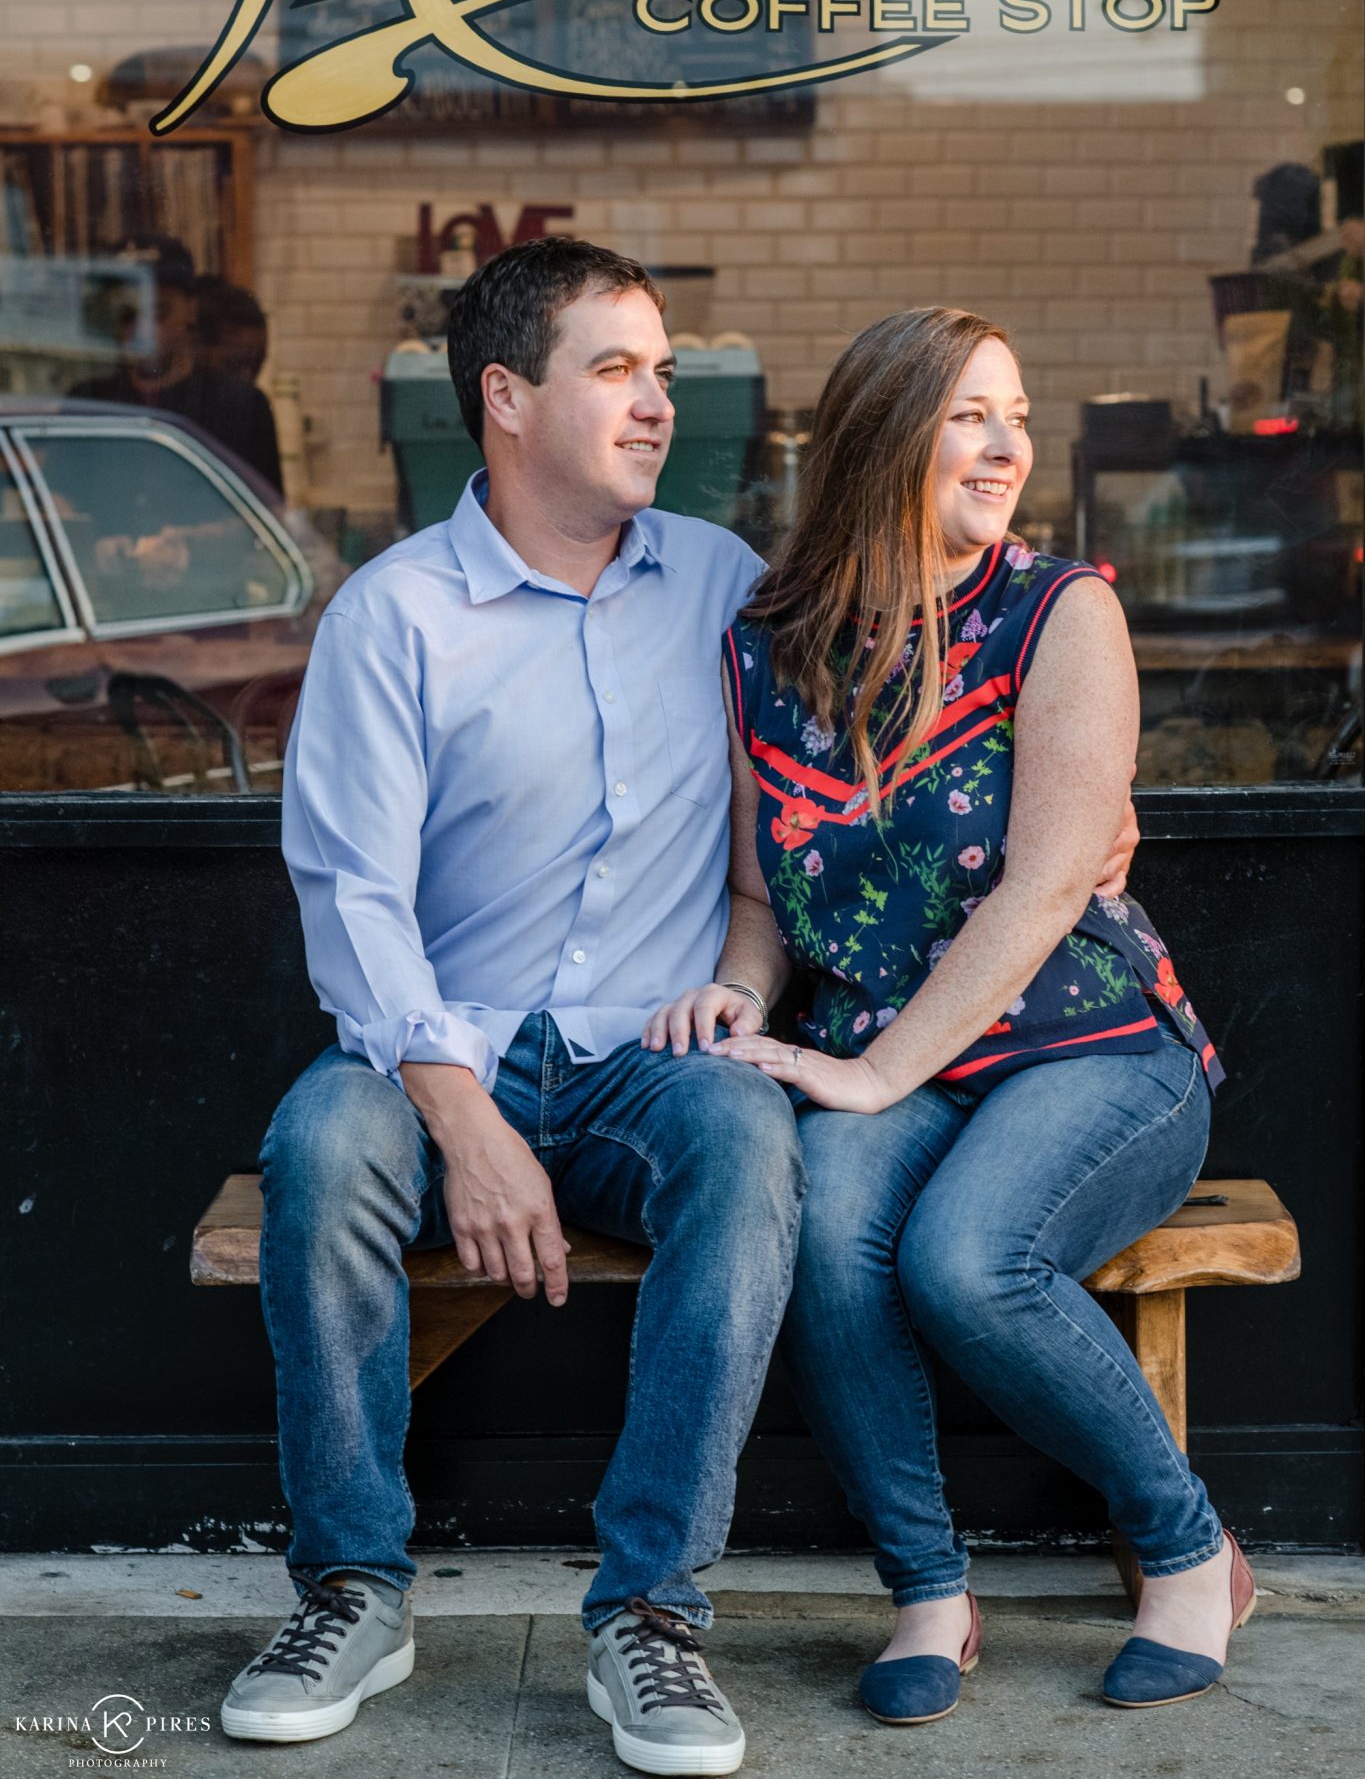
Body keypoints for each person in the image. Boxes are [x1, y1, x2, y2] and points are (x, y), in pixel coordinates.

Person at [221, 238, 808, 1774]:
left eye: (661, 373)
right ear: (503, 397)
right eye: (614, 370)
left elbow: (774, 864)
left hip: (649, 1058)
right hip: (442, 1048)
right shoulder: (395, 616)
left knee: (745, 1146)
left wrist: (742, 994)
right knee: (320, 1148)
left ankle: (650, 1615)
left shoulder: (725, 590)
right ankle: (353, 1586)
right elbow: (351, 898)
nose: (655, 404)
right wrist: (462, 1115)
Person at [646, 306, 1250, 1726]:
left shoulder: (1059, 614)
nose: (1006, 445)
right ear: (880, 437)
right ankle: (927, 1589)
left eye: (1017, 414)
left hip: (1091, 1045)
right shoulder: (768, 649)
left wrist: (871, 1074)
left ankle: (1186, 1549)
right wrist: (735, 997)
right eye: (970, 413)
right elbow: (757, 894)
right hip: (891, 1055)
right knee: (832, 1239)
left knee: (969, 1262)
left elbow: (1047, 886)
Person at [74, 236, 283, 493]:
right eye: (127, 315)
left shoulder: (240, 406)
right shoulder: (87, 403)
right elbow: (58, 501)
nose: (142, 330)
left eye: (158, 312)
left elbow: (266, 511)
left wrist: (190, 534)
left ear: (190, 309)